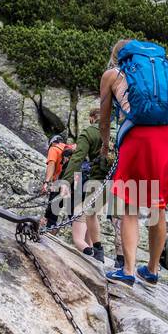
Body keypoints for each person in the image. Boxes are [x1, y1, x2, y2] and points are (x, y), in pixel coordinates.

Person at [98, 38, 168, 285]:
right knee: (158, 206)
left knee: (129, 206)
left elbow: (104, 120)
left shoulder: (111, 75)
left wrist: (105, 147)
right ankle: (152, 271)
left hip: (139, 138)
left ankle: (127, 270)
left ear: (117, 56)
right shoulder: (157, 71)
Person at [60, 102, 105, 263]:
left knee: (79, 234)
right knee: (93, 220)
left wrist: (65, 181)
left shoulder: (90, 133)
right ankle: (96, 257)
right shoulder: (115, 133)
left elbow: (77, 158)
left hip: (90, 184)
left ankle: (88, 253)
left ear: (92, 118)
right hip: (107, 184)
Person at [40, 133, 75, 229]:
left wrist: (46, 182)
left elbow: (51, 164)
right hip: (73, 183)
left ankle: (47, 230)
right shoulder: (68, 148)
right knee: (71, 212)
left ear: (52, 143)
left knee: (53, 211)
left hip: (60, 183)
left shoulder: (54, 148)